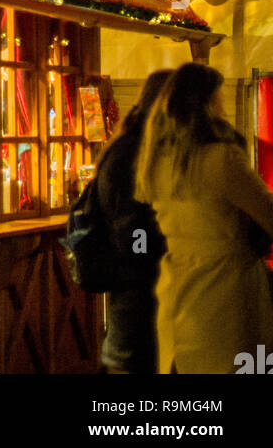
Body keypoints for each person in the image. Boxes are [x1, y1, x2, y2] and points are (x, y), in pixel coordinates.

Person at [135, 62, 273, 374]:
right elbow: (268, 214)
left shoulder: (155, 161)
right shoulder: (221, 159)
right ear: (207, 102)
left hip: (179, 288)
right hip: (227, 290)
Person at [96, 69, 171, 374]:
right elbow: (133, 224)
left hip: (128, 281)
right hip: (140, 281)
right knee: (135, 359)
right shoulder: (139, 151)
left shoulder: (123, 144)